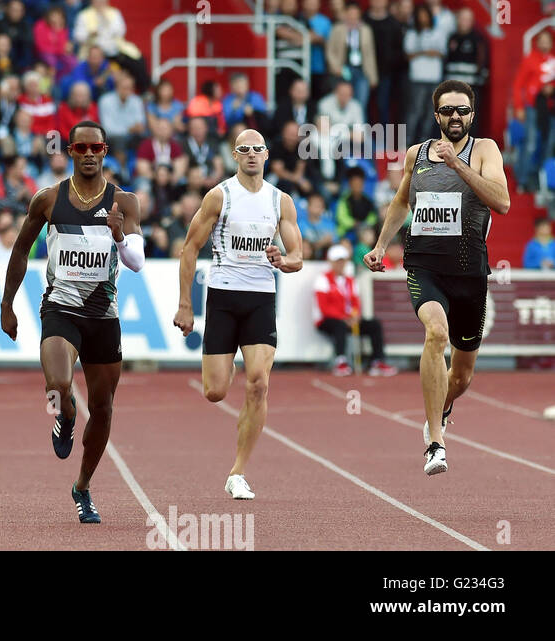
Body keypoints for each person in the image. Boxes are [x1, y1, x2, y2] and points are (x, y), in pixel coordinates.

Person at [0, 120, 145, 523]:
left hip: (103, 316)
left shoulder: (125, 202)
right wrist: (7, 304)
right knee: (59, 385)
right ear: (70, 151)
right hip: (60, 310)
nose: (87, 154)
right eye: (79, 148)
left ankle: (82, 486)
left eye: (94, 148)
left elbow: (137, 263)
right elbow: (21, 250)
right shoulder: (48, 199)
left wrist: (118, 236)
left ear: (105, 151)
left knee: (102, 408)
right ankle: (63, 414)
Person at [363, 80, 510, 476]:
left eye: (462, 110)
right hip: (424, 266)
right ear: (436, 116)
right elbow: (401, 202)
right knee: (435, 333)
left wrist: (456, 164)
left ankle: (443, 405)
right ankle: (435, 442)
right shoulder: (417, 154)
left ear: (472, 114)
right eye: (448, 111)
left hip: (469, 272)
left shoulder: (485, 150)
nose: (456, 117)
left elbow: (502, 201)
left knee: (461, 375)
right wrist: (380, 246)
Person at [173, 128, 305, 500]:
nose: (251, 155)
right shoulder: (220, 196)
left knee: (259, 382)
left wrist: (285, 259)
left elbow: (297, 256)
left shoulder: (281, 201)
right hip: (224, 296)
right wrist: (186, 304)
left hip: (261, 298)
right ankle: (226, 363)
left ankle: (238, 472)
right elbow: (189, 248)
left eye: (257, 149)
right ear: (235, 156)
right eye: (243, 150)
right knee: (215, 391)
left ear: (266, 155)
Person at [314, 244, 397, 376]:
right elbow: (324, 307)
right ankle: (340, 361)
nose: (340, 264)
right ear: (330, 262)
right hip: (328, 321)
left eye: (342, 261)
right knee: (339, 326)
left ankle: (377, 361)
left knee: (374, 325)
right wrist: (343, 318)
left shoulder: (350, 280)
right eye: (337, 261)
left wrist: (355, 316)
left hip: (349, 319)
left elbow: (355, 303)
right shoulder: (323, 279)